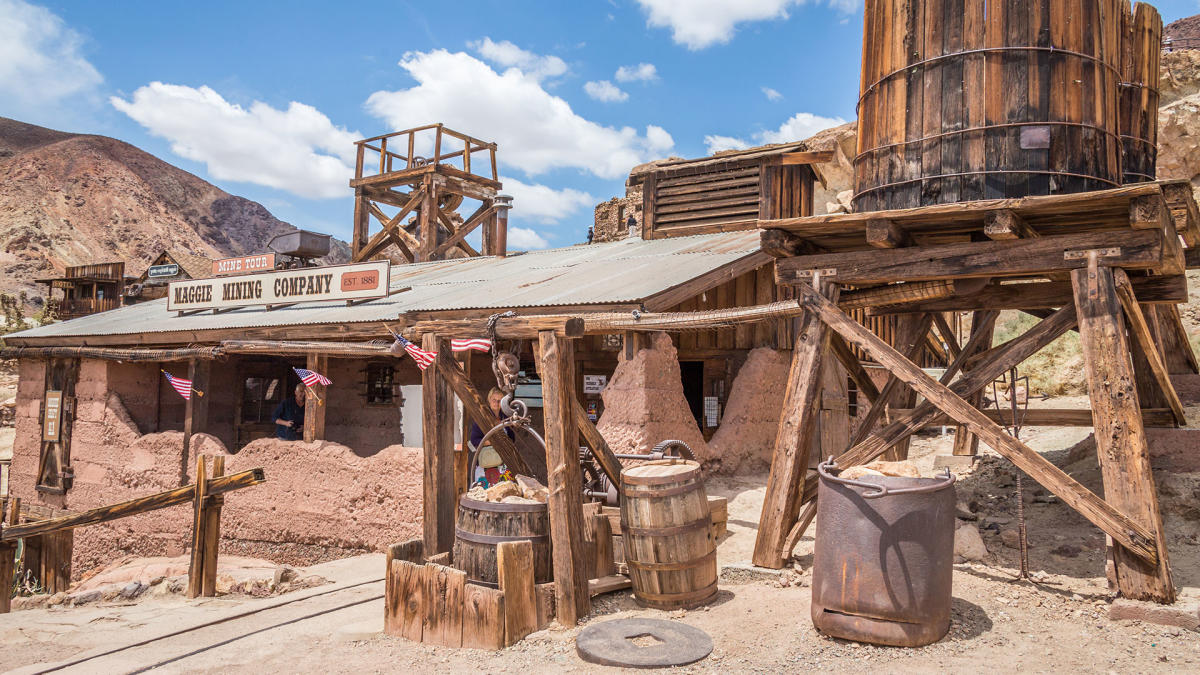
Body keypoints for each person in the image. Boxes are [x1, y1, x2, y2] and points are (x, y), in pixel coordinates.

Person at [469, 388, 515, 486]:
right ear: (489, 400)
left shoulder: (505, 418)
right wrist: (494, 442)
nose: (497, 403)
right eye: (494, 400)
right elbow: (474, 440)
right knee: (486, 494)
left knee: (504, 493)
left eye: (500, 401)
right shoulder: (482, 418)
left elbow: (512, 439)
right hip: (487, 463)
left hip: (503, 465)